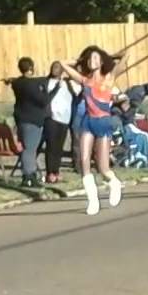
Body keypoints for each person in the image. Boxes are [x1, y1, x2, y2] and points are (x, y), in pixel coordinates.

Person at [59, 45, 129, 215]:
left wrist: (110, 55)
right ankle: (92, 200)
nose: (93, 61)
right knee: (84, 161)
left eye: (96, 58)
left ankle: (114, 183)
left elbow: (126, 56)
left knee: (103, 168)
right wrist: (81, 60)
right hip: (88, 122)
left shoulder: (110, 77)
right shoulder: (84, 80)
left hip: (103, 122)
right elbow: (62, 64)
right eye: (90, 59)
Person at [6, 57, 51, 188]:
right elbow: (43, 101)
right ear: (31, 68)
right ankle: (29, 176)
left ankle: (29, 175)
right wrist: (46, 89)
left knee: (26, 148)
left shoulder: (17, 83)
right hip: (33, 120)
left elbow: (18, 80)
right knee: (30, 149)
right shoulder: (34, 85)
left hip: (21, 119)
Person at [43, 61, 80, 184]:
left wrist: (70, 67)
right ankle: (50, 173)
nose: (55, 69)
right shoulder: (46, 82)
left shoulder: (68, 83)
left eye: (58, 67)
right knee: (51, 147)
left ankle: (56, 171)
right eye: (53, 66)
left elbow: (79, 89)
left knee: (59, 148)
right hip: (51, 118)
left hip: (64, 119)